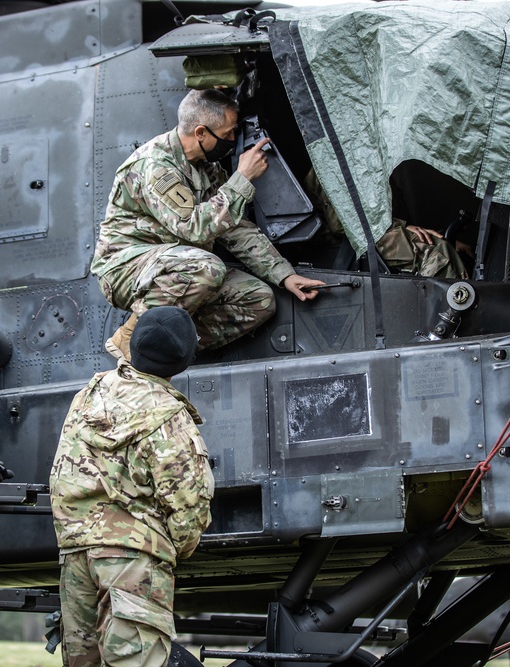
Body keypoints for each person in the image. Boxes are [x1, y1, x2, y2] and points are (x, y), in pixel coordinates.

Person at [92, 88, 327, 359]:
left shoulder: (205, 167)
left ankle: (166, 351)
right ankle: (134, 339)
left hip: (177, 265)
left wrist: (284, 276)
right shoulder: (156, 167)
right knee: (208, 268)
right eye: (227, 134)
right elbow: (194, 228)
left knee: (259, 300)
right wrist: (242, 179)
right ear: (201, 133)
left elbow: (234, 228)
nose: (231, 139)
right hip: (126, 268)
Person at [50, 306, 213, 667]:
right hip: (132, 559)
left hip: (76, 553)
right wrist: (167, 547)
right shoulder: (168, 415)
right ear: (184, 360)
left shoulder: (89, 394)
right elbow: (189, 506)